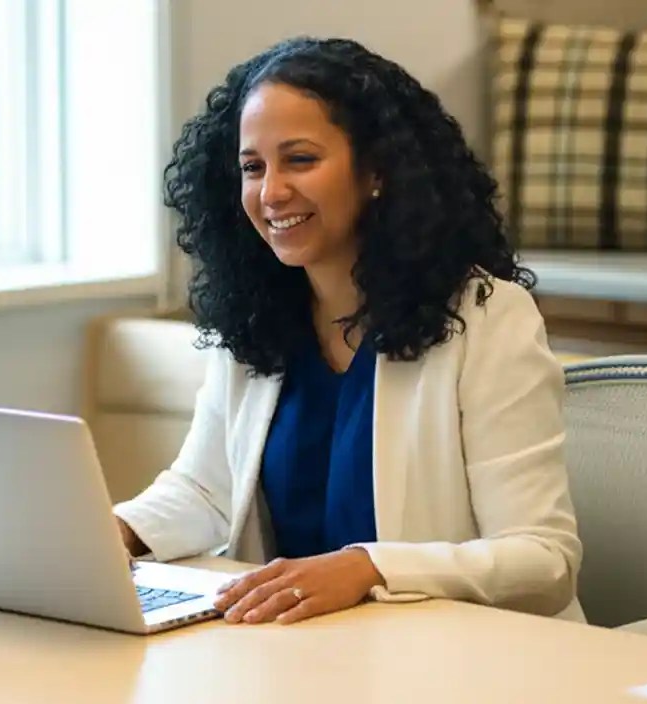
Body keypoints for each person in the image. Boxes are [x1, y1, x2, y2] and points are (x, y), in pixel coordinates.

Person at [113, 37, 583, 626]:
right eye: (253, 167)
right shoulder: (256, 317)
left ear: (377, 170)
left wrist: (369, 568)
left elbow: (543, 559)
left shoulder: (488, 316)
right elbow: (206, 491)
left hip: (458, 658)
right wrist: (114, 531)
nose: (271, 192)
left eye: (300, 160)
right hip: (302, 651)